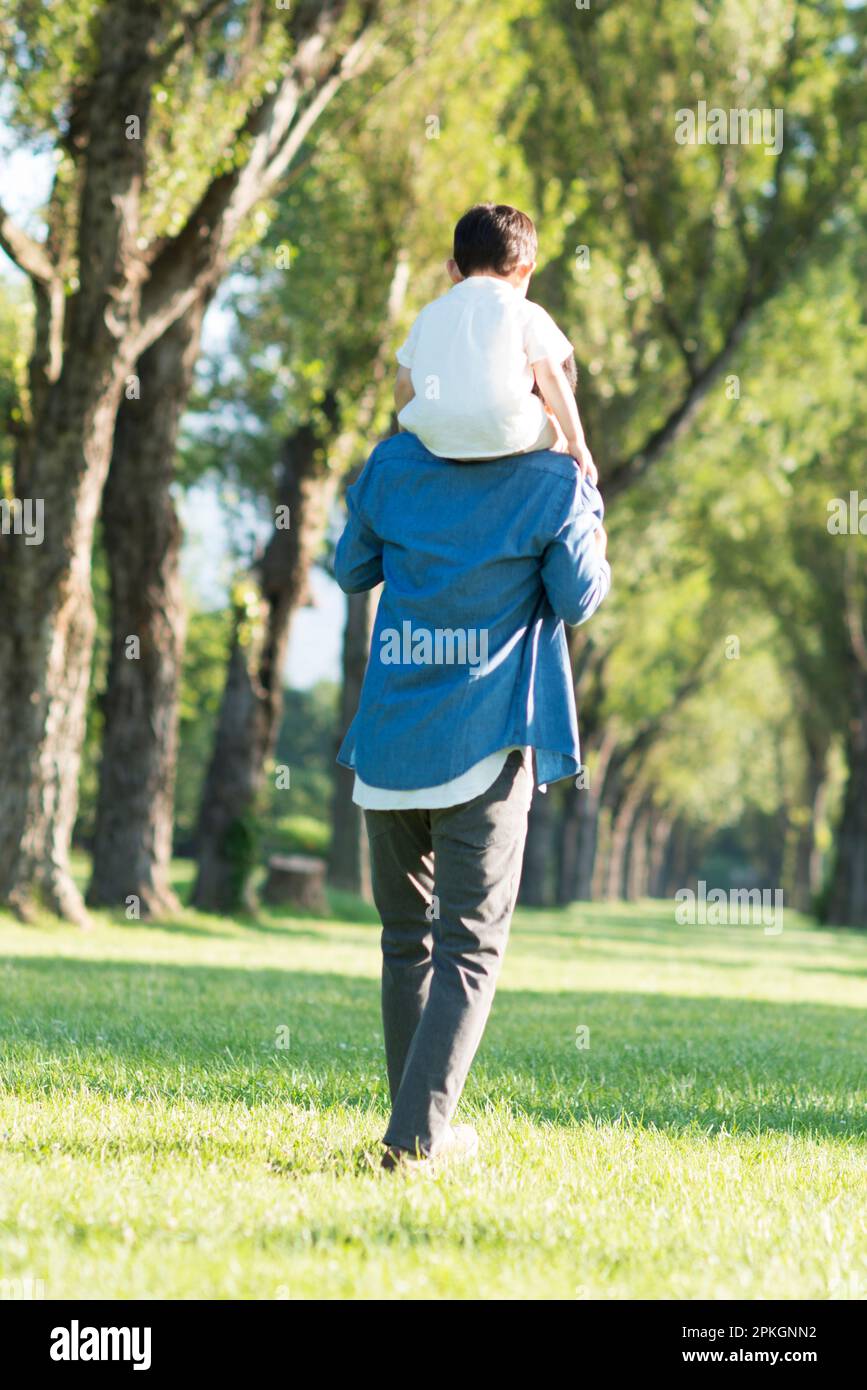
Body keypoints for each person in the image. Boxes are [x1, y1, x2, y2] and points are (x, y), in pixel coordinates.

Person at [334, 357, 611, 1167]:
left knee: (403, 941)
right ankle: (414, 1143)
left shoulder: (390, 465)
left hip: (388, 743)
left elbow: (350, 569)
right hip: (485, 745)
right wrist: (583, 494)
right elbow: (579, 597)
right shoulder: (548, 482)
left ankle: (416, 1126)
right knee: (469, 946)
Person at [393, 201, 597, 480]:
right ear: (525, 270)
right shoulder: (526, 312)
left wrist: (417, 431)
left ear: (453, 271)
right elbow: (550, 376)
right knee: (556, 431)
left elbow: (404, 383)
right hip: (507, 433)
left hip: (435, 440)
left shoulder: (428, 314)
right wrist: (576, 441)